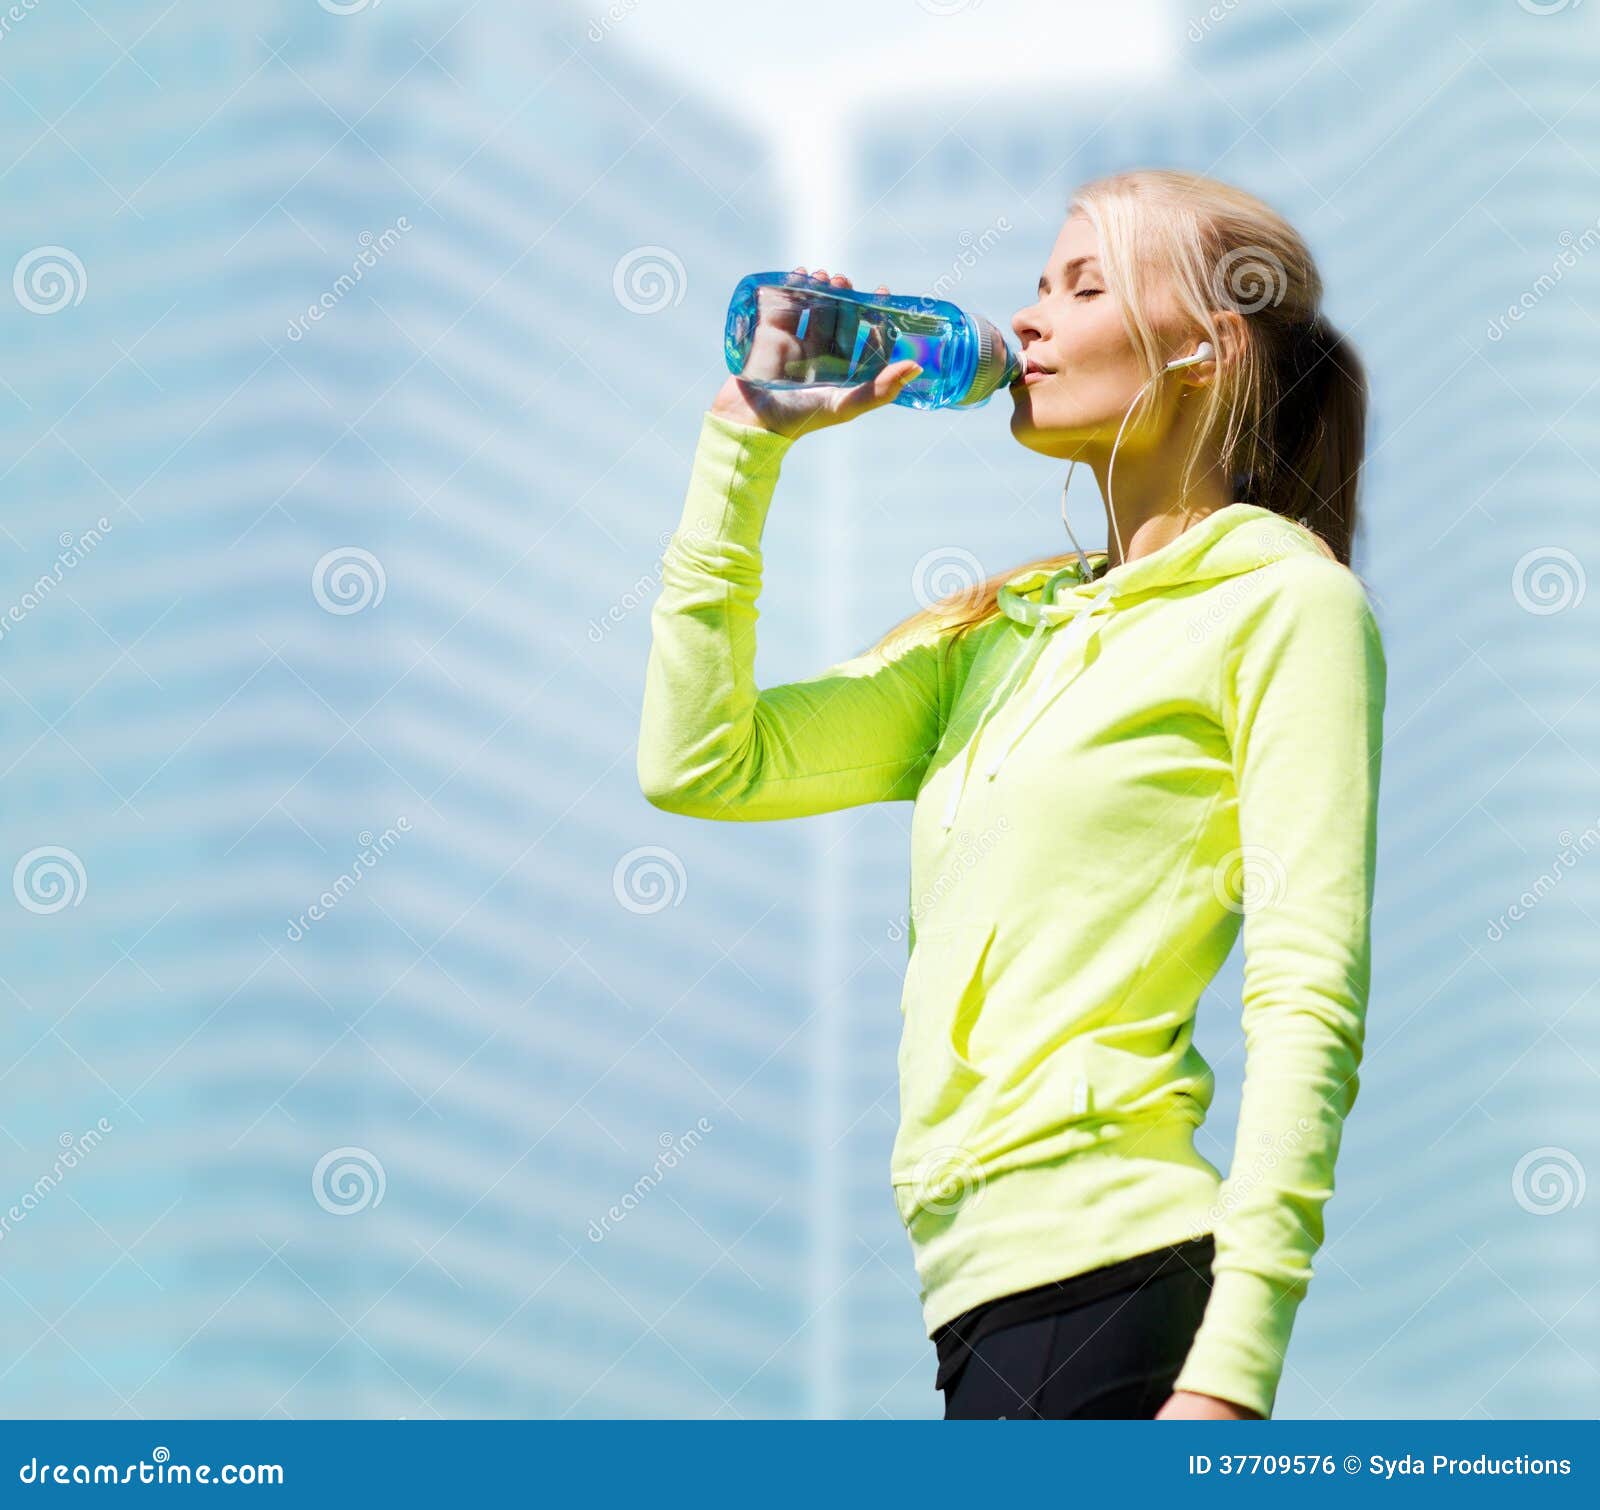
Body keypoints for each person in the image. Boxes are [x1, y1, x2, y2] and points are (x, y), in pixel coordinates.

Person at [636, 167, 1386, 1421]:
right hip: (978, 1296)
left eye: (1082, 286)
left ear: (1207, 348)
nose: (1028, 321)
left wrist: (1231, 1373)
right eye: (1035, 286)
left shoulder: (1283, 605)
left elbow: (1308, 992)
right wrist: (743, 448)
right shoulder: (999, 634)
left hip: (1113, 1276)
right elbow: (703, 761)